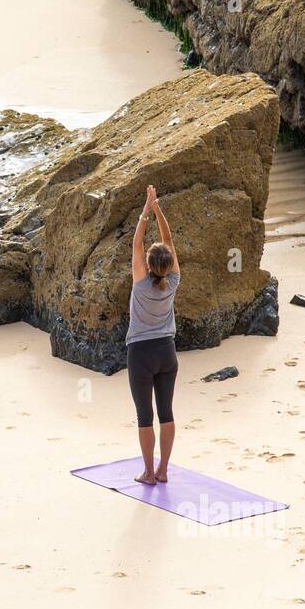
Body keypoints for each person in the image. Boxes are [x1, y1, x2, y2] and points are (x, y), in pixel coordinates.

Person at [127, 186, 180, 485]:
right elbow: (168, 241)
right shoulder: (173, 280)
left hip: (141, 354)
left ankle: (148, 472)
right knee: (167, 413)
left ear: (147, 265)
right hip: (167, 354)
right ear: (169, 264)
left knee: (144, 416)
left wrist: (146, 209)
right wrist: (159, 210)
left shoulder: (140, 281)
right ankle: (163, 471)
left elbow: (137, 244)